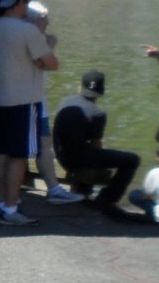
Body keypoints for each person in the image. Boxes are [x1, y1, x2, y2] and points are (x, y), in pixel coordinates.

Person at [0, 0, 59, 226]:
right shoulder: (27, 32)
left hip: (0, 99)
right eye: (25, 3)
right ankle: (10, 208)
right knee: (19, 157)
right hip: (25, 102)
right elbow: (51, 63)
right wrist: (46, 40)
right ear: (21, 3)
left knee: (1, 153)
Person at [53, 70, 139, 213]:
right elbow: (96, 145)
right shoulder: (97, 113)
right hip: (77, 160)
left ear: (80, 87)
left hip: (61, 155)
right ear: (101, 91)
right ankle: (108, 198)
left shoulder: (65, 101)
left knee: (86, 153)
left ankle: (83, 193)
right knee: (132, 160)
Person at [25, 1, 81, 205]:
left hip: (39, 100)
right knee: (29, 147)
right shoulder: (30, 39)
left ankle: (53, 188)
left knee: (44, 144)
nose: (47, 22)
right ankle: (49, 189)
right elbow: (45, 65)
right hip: (27, 100)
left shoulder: (41, 38)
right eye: (42, 18)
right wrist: (50, 45)